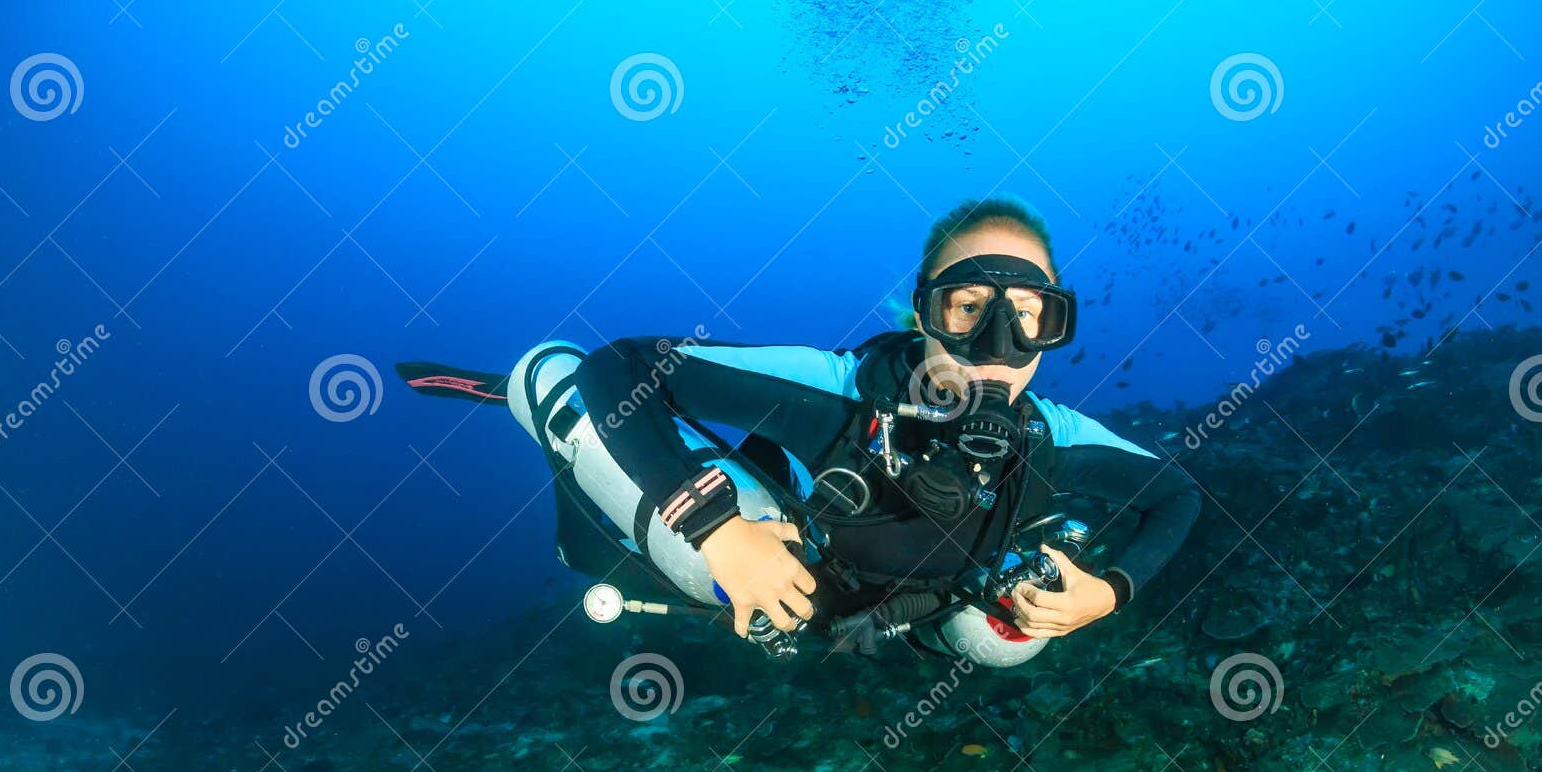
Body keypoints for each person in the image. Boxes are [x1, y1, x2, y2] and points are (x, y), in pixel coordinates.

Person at [398, 196, 1200, 666]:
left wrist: (1108, 592)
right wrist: (714, 531)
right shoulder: (837, 393)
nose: (997, 347)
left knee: (1007, 640)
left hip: (892, 609)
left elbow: (1177, 498)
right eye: (967, 309)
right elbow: (619, 368)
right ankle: (525, 399)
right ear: (923, 314)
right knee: (568, 394)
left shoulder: (1050, 439)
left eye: (1028, 317)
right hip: (759, 559)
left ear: (1055, 327)